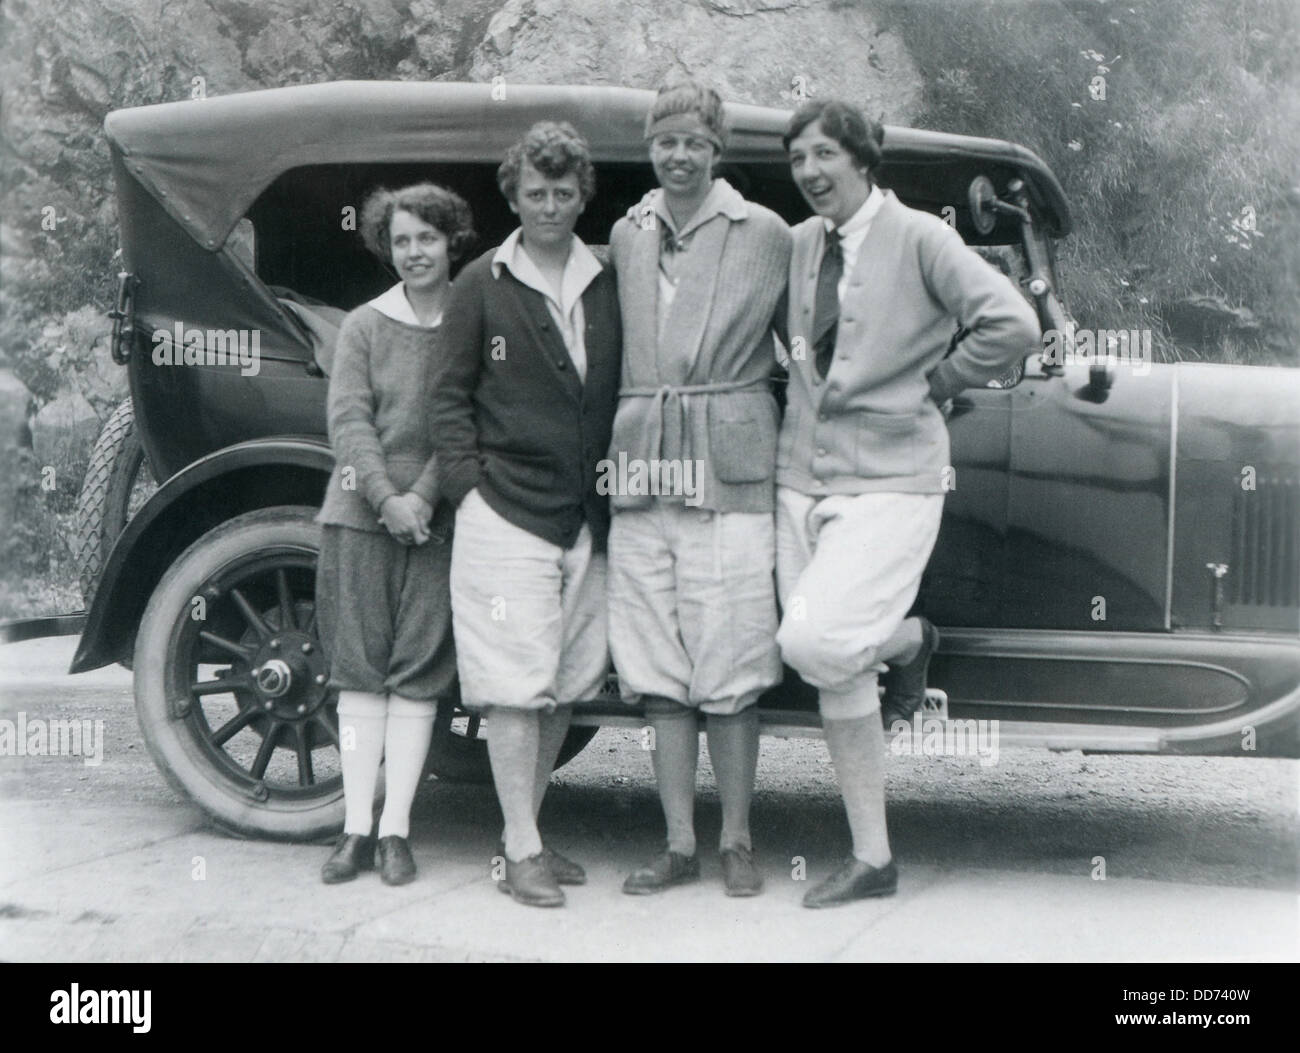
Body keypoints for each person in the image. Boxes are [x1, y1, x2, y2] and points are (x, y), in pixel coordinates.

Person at [776, 99, 1039, 907]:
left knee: (816, 641)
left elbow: (1013, 322)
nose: (811, 173)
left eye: (825, 154)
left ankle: (905, 637)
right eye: (798, 160)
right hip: (799, 477)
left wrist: (940, 382)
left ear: (863, 159)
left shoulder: (922, 235)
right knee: (835, 669)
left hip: (891, 479)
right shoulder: (796, 243)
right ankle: (873, 856)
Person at [607, 80, 791, 897]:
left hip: (729, 466)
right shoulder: (626, 233)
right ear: (651, 147)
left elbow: (809, 356)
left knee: (732, 662)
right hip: (643, 467)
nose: (678, 156)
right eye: (665, 142)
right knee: (658, 668)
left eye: (695, 143)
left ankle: (738, 839)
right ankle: (679, 842)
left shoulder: (767, 234)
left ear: (720, 151)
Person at [431, 121, 621, 908]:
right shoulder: (482, 280)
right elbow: (446, 397)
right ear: (514, 195)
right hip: (504, 516)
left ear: (583, 196)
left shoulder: (606, 277)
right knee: (515, 686)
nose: (549, 205)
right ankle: (519, 848)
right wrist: (471, 487)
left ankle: (528, 834)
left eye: (564, 192)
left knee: (565, 686)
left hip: (587, 517)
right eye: (535, 193)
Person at [316, 182, 475, 886]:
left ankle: (396, 830)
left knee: (416, 674)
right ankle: (354, 828)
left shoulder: (469, 323)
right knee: (360, 671)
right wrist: (386, 498)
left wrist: (424, 497)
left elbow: (466, 420)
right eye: (402, 240)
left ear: (451, 242)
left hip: (437, 522)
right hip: (360, 514)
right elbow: (348, 421)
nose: (415, 252)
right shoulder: (363, 326)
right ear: (389, 246)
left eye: (428, 238)